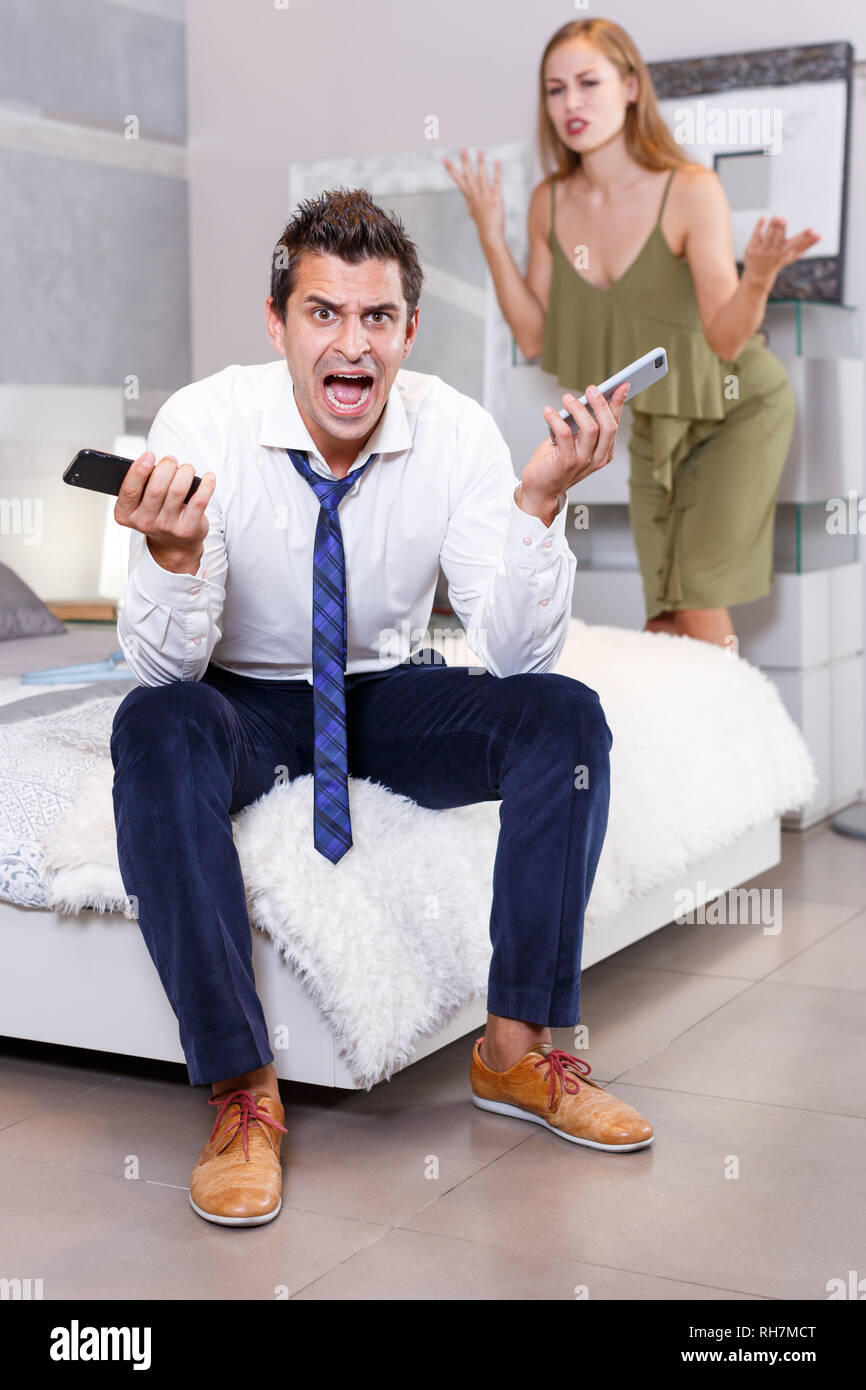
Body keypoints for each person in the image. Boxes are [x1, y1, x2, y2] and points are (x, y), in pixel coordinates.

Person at [109, 187, 650, 1229]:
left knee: (563, 716)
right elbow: (161, 663)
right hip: (241, 700)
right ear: (278, 325)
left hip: (382, 693)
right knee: (151, 723)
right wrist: (173, 559)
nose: (349, 344)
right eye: (322, 313)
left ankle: (515, 1053)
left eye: (374, 318)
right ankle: (240, 1093)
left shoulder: (452, 432)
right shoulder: (202, 422)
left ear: (407, 329)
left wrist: (538, 505)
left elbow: (512, 653)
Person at [444, 17, 820, 647]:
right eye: (555, 89)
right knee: (666, 620)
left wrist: (754, 277)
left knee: (698, 604)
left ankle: (737, 746)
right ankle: (689, 743)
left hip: (735, 409)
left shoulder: (691, 190)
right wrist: (490, 232)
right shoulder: (550, 201)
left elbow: (726, 343)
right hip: (654, 426)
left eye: (588, 82)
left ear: (630, 87)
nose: (571, 103)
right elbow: (534, 335)